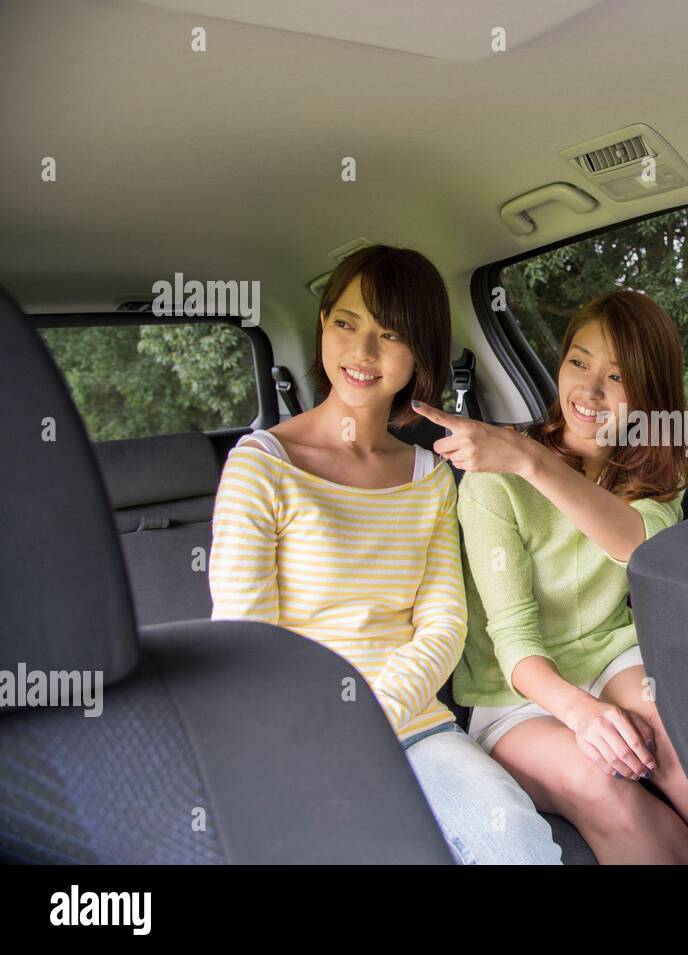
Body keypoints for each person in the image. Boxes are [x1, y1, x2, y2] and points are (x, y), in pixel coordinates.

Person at [209, 244, 561, 865]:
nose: (362, 353)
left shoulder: (429, 474)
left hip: (412, 726)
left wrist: (373, 715)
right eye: (347, 323)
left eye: (390, 334)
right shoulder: (261, 465)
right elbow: (246, 640)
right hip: (291, 736)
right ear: (323, 325)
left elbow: (443, 622)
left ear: (419, 352)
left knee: (512, 836)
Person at [410, 290, 688, 863]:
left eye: (618, 376)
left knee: (680, 739)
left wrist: (534, 461)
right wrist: (582, 714)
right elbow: (514, 643)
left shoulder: (657, 472)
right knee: (601, 786)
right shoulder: (494, 480)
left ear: (650, 392)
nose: (590, 391)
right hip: (516, 693)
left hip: (610, 654)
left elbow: (636, 546)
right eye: (579, 361)